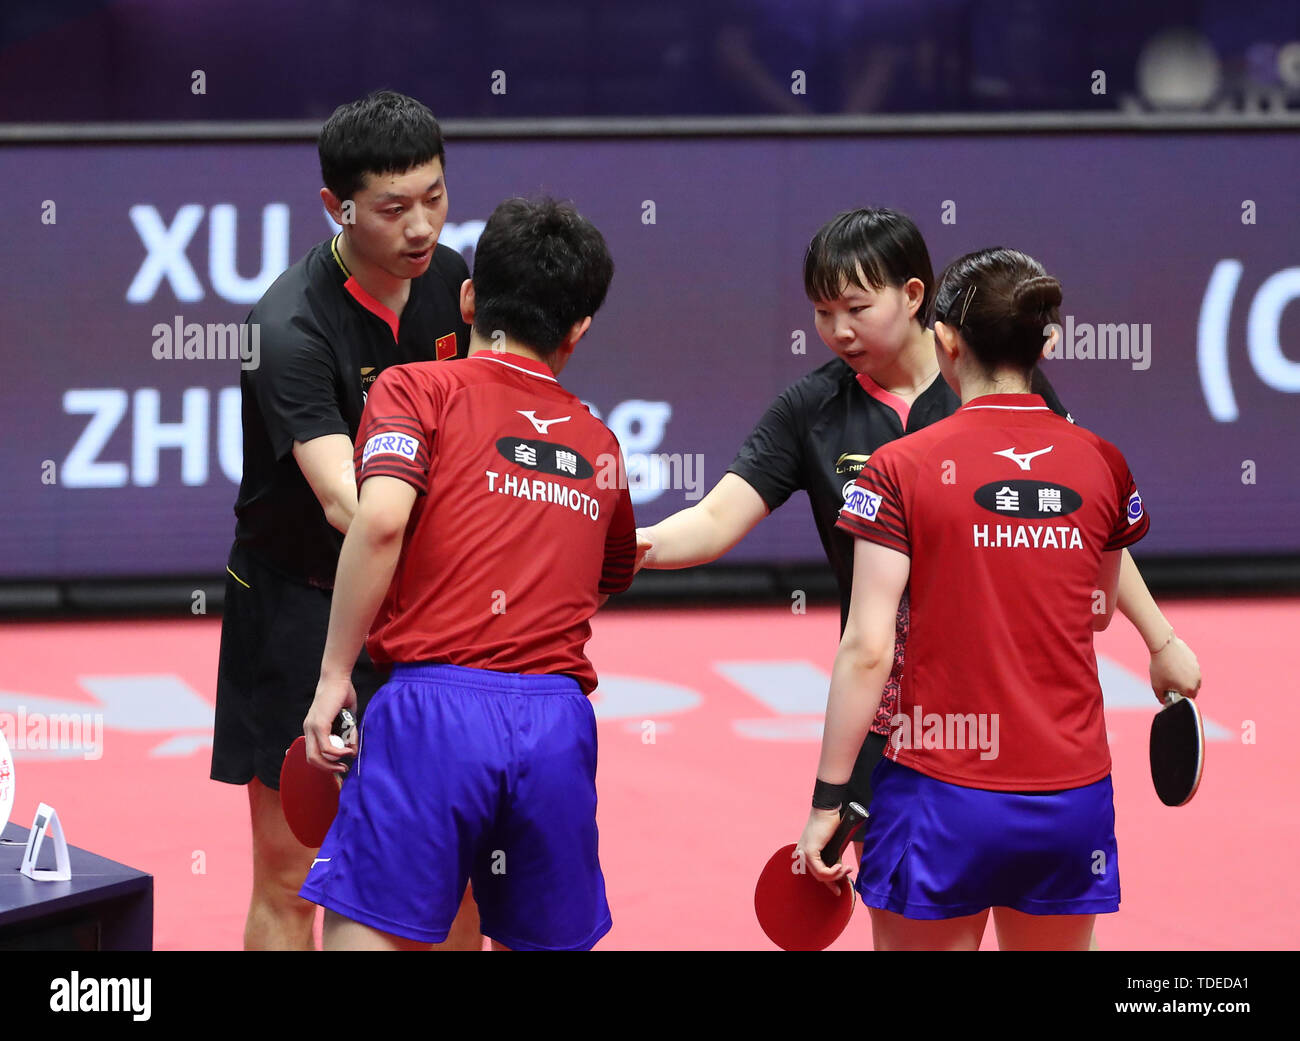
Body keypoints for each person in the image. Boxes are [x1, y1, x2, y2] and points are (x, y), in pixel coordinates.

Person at [637, 208, 1200, 831]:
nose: (837, 330)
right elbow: (717, 516)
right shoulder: (811, 409)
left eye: (856, 308)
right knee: (908, 912)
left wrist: (1160, 640)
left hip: (1014, 698)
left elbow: (1091, 525)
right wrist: (640, 545)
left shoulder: (1002, 391)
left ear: (913, 297)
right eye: (823, 313)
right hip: (883, 713)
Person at [799, 246, 1165, 950]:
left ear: (945, 338)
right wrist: (1164, 644)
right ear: (1046, 341)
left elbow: (868, 647)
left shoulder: (899, 468)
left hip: (939, 795)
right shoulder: (1102, 461)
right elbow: (1096, 604)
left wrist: (827, 799)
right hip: (1070, 798)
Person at [298, 196, 634, 952]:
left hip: (431, 714)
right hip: (557, 721)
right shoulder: (600, 439)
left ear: (470, 296)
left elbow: (380, 521)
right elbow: (603, 576)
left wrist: (332, 676)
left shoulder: (418, 388)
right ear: (579, 328)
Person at [210, 90, 481, 950]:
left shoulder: (460, 287)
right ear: (338, 206)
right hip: (301, 603)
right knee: (295, 872)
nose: (420, 227)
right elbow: (349, 504)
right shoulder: (288, 327)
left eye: (434, 196)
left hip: (426, 606)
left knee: (454, 861)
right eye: (394, 208)